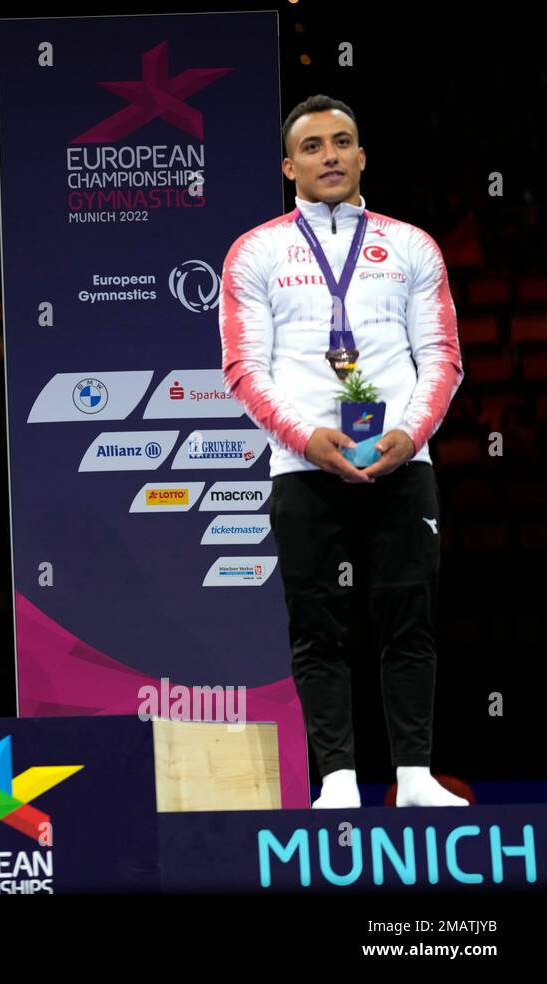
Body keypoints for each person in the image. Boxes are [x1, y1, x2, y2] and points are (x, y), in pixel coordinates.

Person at [219, 94, 467, 808]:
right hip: (304, 468)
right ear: (289, 165)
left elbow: (442, 358)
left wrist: (407, 437)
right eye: (314, 146)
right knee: (318, 627)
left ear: (362, 157)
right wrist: (306, 440)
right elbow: (244, 369)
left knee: (408, 619)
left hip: (400, 462)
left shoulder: (412, 244)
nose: (330, 155)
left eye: (343, 142)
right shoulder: (256, 251)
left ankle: (416, 777)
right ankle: (336, 781)